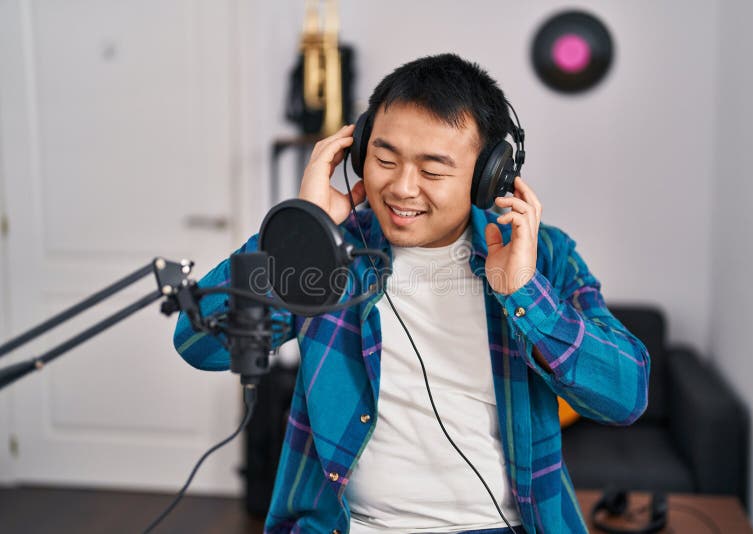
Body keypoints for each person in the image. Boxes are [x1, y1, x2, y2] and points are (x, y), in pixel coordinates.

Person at [173, 53, 650, 534]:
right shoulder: (328, 249)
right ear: (359, 151)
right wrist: (300, 231)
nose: (401, 188)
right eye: (384, 160)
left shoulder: (541, 253)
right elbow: (199, 342)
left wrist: (526, 294)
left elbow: (625, 396)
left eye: (433, 171)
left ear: (488, 177)